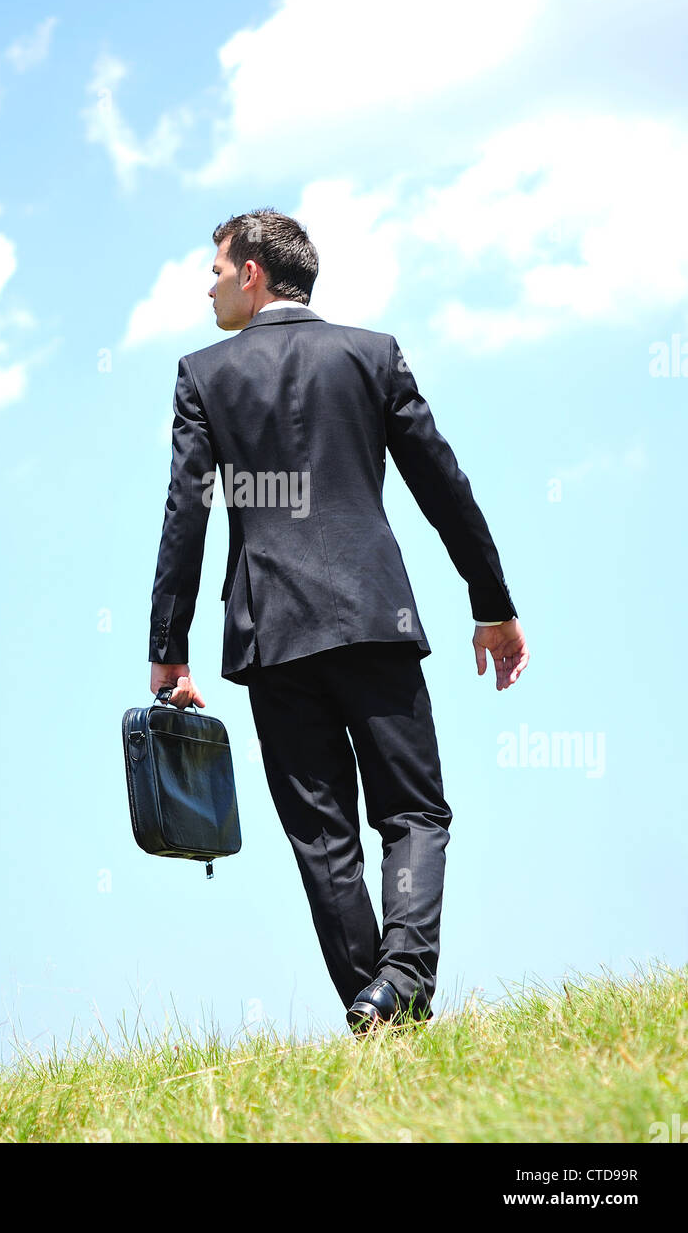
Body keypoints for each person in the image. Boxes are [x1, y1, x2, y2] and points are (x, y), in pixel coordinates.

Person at [148, 208, 529, 1034]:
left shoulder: (202, 374)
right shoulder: (370, 354)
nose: (207, 283)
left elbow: (188, 512)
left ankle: (382, 1010)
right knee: (414, 814)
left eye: (214, 268)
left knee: (322, 839)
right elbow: (442, 484)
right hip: (371, 616)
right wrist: (490, 603)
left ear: (251, 272)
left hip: (270, 633)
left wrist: (168, 652)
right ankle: (398, 985)